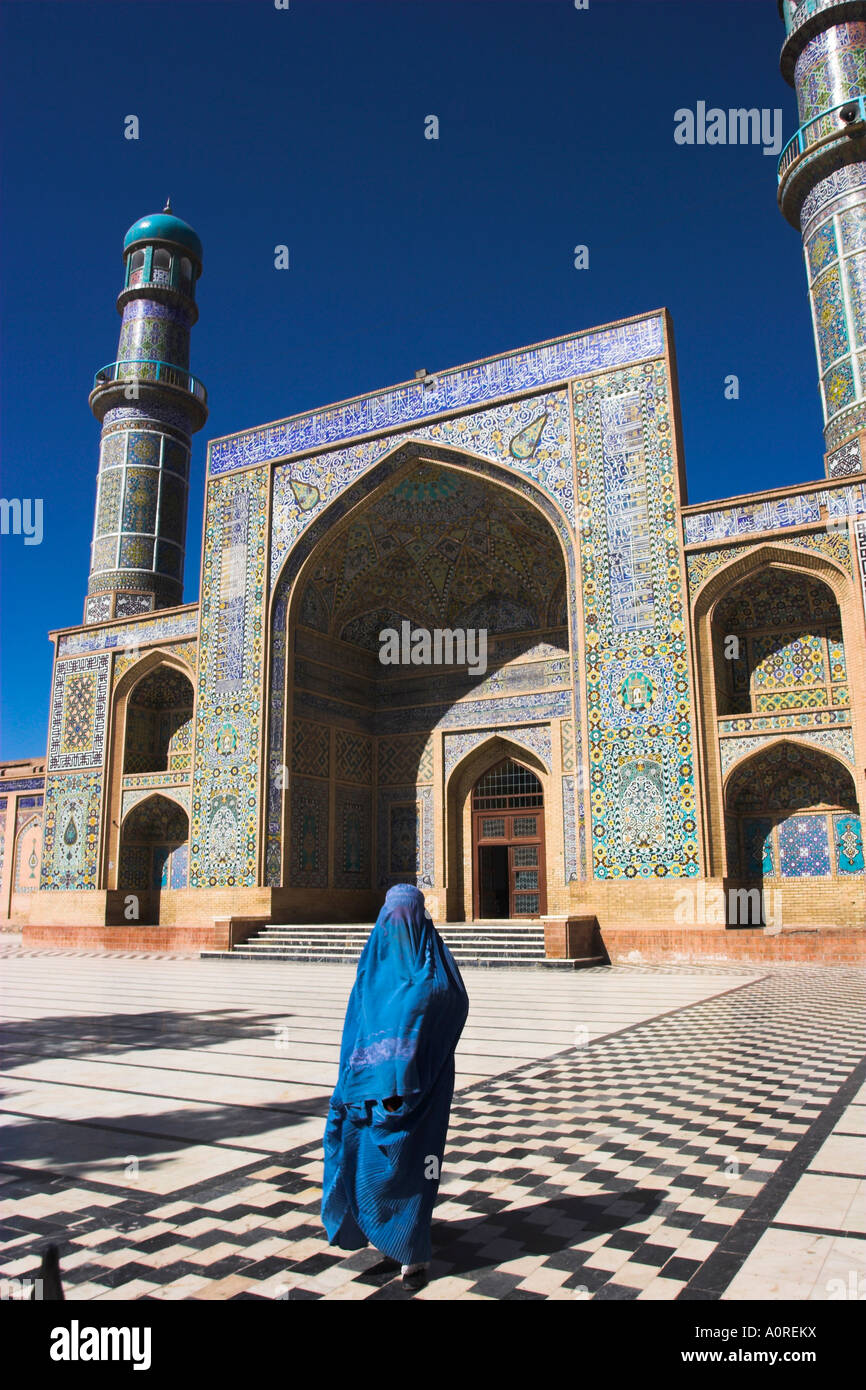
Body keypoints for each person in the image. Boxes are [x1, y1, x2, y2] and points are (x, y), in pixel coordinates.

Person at [321, 883, 469, 1291]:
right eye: (393, 915)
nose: (397, 924)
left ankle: (413, 1248)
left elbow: (453, 1002)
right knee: (368, 1162)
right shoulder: (376, 962)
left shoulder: (433, 968)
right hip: (369, 1090)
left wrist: (413, 1053)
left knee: (415, 1165)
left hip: (420, 1092)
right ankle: (384, 1230)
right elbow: (356, 1025)